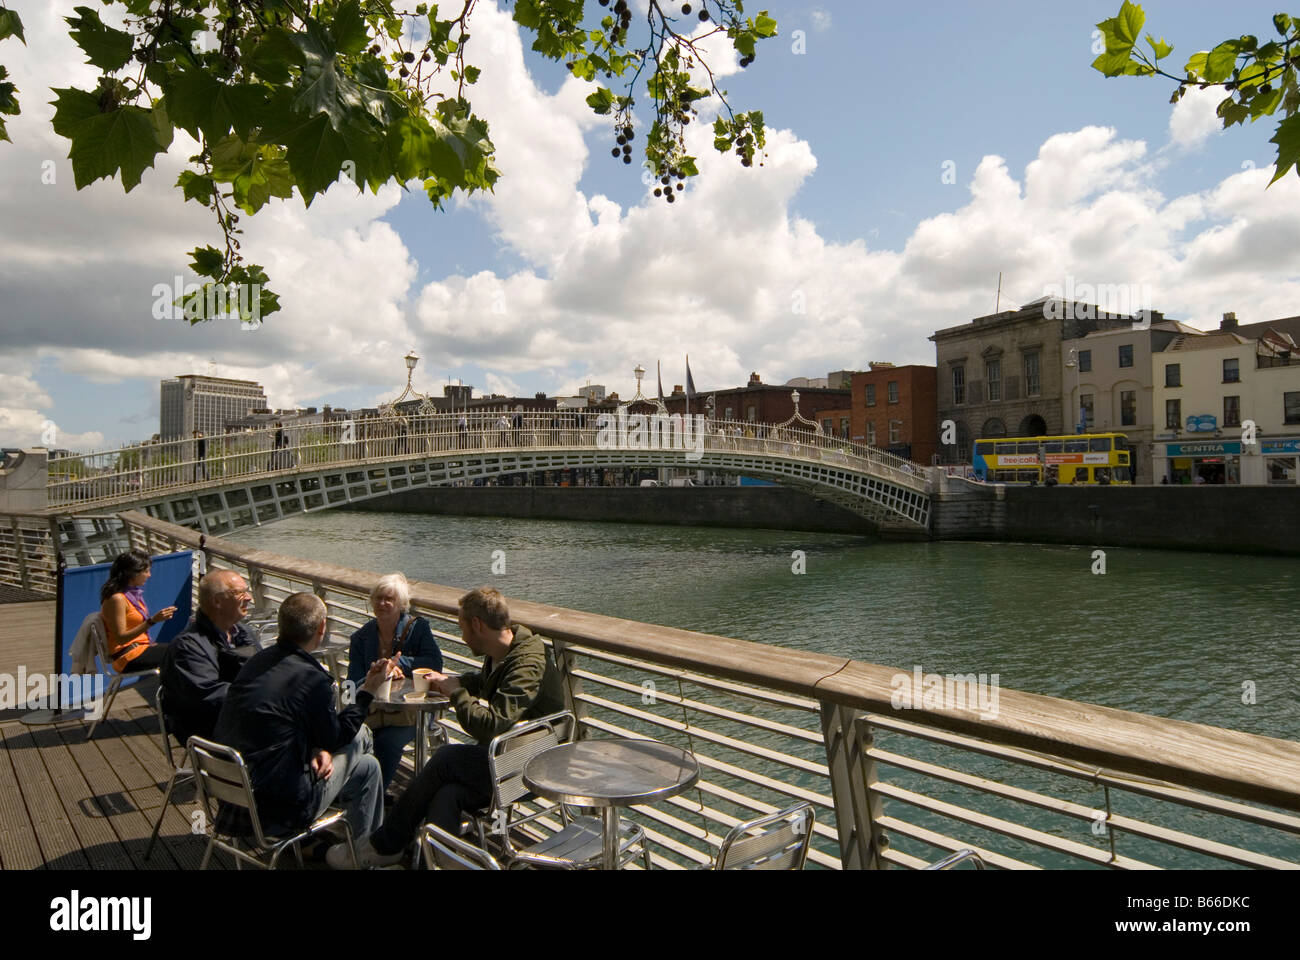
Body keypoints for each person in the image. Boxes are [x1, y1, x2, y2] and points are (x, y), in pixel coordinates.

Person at [329, 586, 566, 869]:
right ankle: (439, 862)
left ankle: (384, 844)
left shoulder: (527, 663)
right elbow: (489, 684)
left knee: (445, 760)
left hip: (529, 767)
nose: (462, 637)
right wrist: (452, 681)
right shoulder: (504, 651)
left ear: (477, 625)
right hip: (507, 757)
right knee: (447, 792)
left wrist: (456, 694)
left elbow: (490, 726)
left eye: (463, 628)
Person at [213, 593, 390, 843]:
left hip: (234, 799)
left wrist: (316, 746)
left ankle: (359, 852)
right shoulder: (312, 679)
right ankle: (361, 852)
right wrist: (368, 690)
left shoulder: (256, 662)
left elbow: (274, 724)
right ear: (321, 629)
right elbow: (337, 737)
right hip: (280, 810)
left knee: (368, 767)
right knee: (362, 736)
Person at [347, 573, 444, 791]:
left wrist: (401, 664)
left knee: (385, 743)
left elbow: (435, 663)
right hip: (374, 710)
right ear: (371, 602)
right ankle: (354, 794)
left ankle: (373, 798)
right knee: (355, 739)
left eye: (389, 599)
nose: (383, 603)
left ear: (401, 603)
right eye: (379, 598)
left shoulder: (418, 629)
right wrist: (377, 674)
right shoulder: (360, 638)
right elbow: (351, 684)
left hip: (412, 713)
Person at [159, 570, 255, 747]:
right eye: (239, 592)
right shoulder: (188, 647)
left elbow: (266, 670)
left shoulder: (243, 632)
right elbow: (208, 698)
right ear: (217, 601)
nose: (248, 597)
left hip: (242, 717)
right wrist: (262, 695)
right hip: (211, 731)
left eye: (247, 590)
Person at [100, 549, 177, 673]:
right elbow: (121, 639)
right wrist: (152, 621)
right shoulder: (117, 599)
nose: (149, 575)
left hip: (139, 648)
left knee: (184, 648)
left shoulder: (131, 595)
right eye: (146, 571)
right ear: (133, 573)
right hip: (127, 656)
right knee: (183, 652)